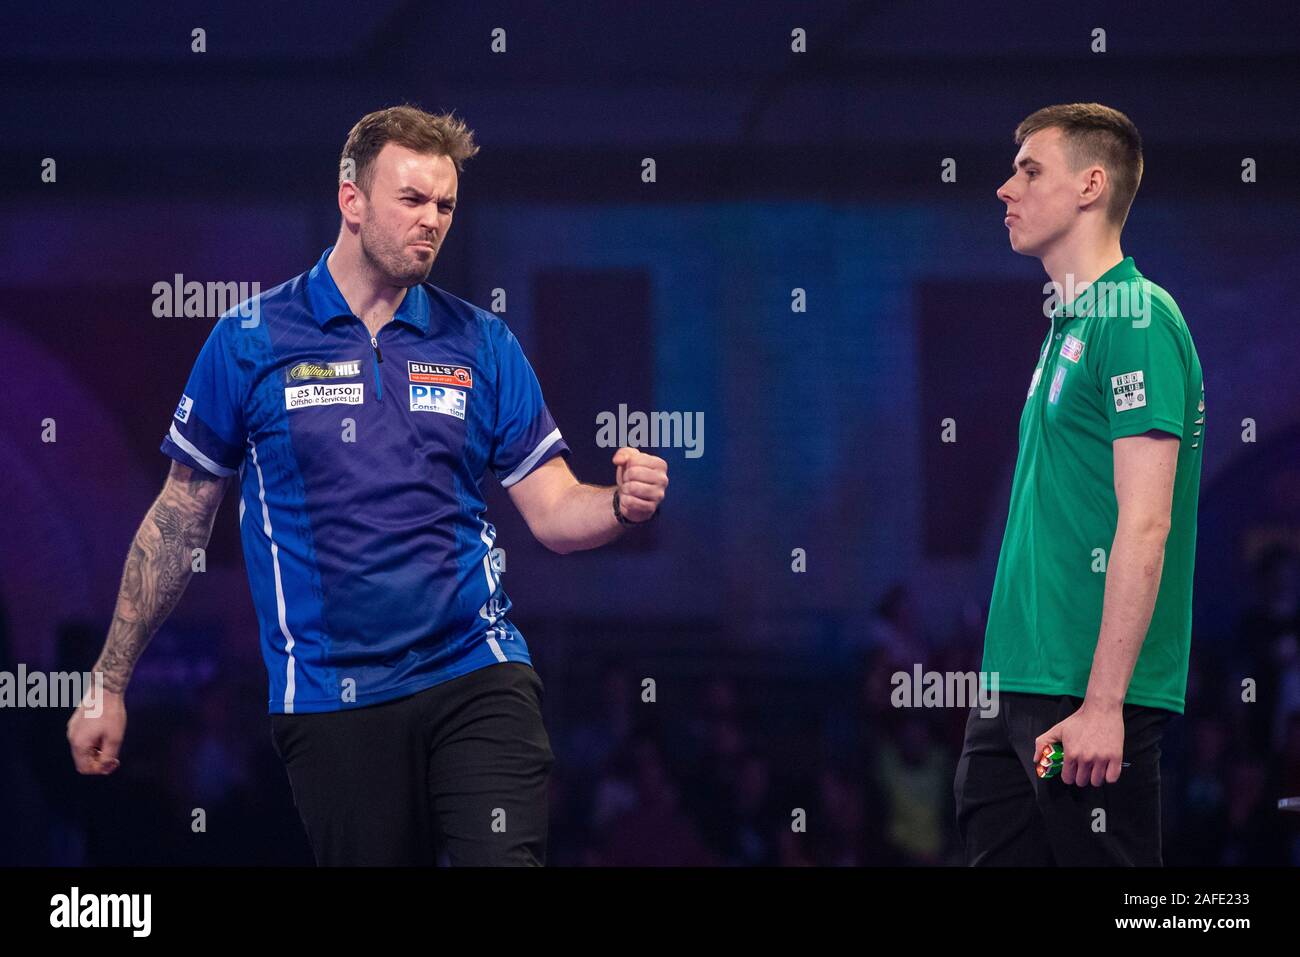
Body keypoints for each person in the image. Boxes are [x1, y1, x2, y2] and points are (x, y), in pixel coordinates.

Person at [66, 104, 669, 866]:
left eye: (446, 205)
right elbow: (179, 518)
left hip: (476, 670)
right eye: (412, 200)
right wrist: (109, 681)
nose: (433, 221)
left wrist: (617, 503)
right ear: (351, 200)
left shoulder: (483, 342)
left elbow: (552, 508)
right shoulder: (250, 339)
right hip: (330, 694)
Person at [954, 103, 1204, 865]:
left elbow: (1148, 522)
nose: (1005, 188)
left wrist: (1103, 703)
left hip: (1083, 693)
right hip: (1015, 688)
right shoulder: (1068, 324)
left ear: (1092, 185)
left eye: (1029, 170)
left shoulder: (1135, 316)